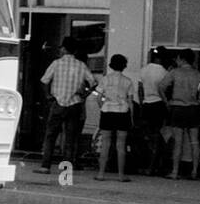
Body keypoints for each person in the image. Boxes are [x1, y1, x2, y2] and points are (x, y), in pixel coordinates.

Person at [35, 35, 96, 174]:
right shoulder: (81, 65)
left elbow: (44, 81)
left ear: (64, 49)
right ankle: (66, 171)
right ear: (74, 51)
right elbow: (93, 83)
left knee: (51, 135)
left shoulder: (56, 63)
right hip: (74, 104)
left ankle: (45, 166)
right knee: (70, 138)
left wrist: (48, 96)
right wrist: (84, 95)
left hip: (58, 103)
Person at [159, 48, 200, 180]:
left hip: (177, 108)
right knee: (195, 142)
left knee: (178, 142)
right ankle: (194, 171)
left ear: (181, 58)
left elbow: (161, 87)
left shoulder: (175, 72)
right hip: (194, 108)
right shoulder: (198, 74)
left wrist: (167, 101)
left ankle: (175, 171)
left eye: (177, 58)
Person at [94, 54, 135, 182]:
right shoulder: (128, 81)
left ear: (111, 65)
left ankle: (101, 174)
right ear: (124, 66)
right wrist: (131, 117)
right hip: (122, 112)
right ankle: (121, 175)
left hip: (107, 111)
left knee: (105, 144)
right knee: (121, 145)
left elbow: (98, 97)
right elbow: (131, 102)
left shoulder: (105, 79)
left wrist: (103, 106)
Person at [136, 47, 171, 176]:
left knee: (148, 136)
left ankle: (148, 165)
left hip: (146, 104)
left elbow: (140, 89)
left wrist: (141, 104)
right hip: (159, 105)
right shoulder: (165, 72)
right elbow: (166, 91)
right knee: (157, 135)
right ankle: (155, 165)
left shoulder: (143, 70)